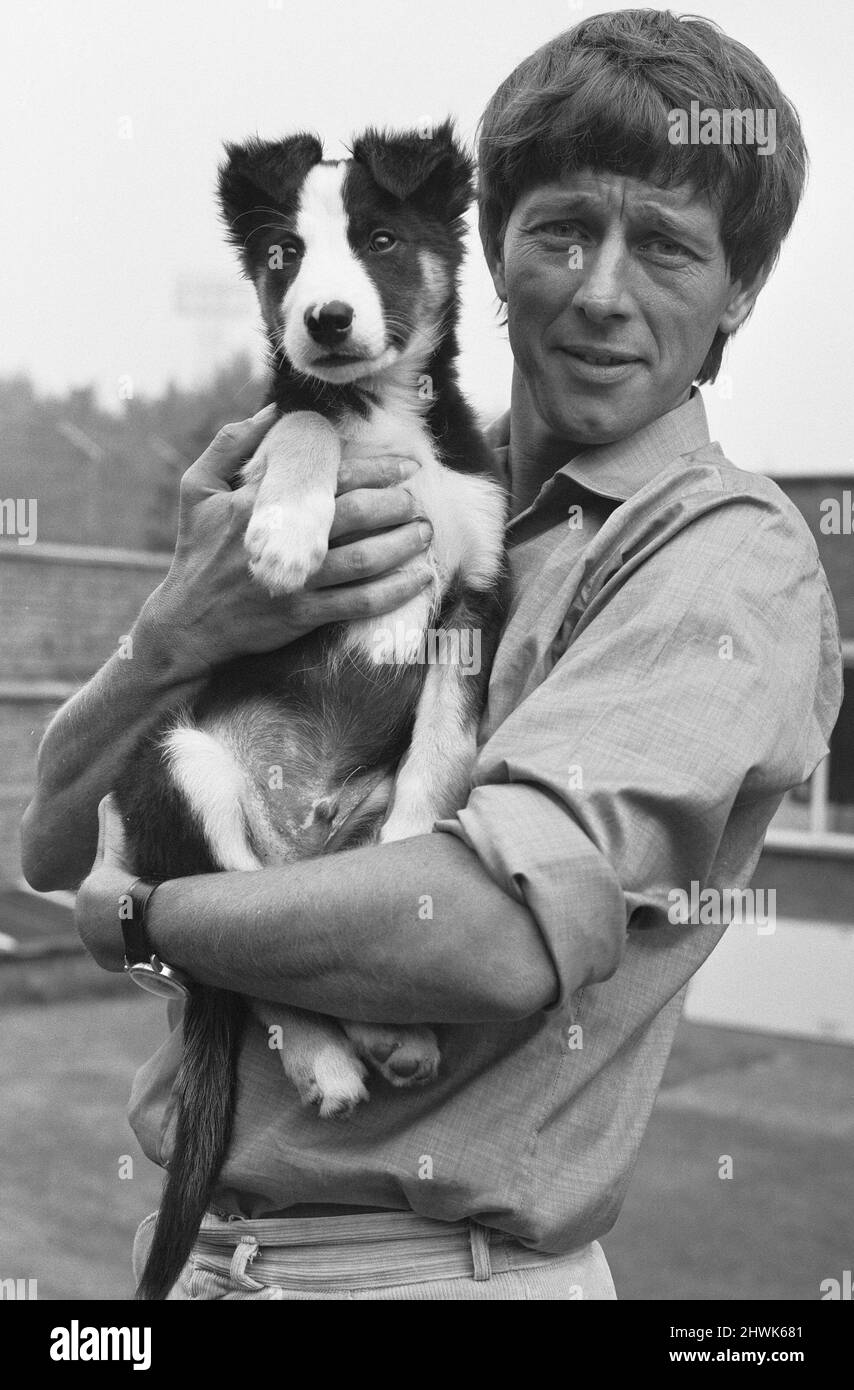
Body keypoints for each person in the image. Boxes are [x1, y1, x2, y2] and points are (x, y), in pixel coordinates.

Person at [22, 9, 842, 1300]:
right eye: (563, 228)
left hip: (426, 1273)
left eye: (669, 246)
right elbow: (50, 838)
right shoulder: (350, 496)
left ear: (738, 288)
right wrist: (178, 631)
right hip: (191, 1260)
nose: (600, 289)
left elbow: (489, 933)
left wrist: (146, 915)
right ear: (494, 250)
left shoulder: (723, 555)